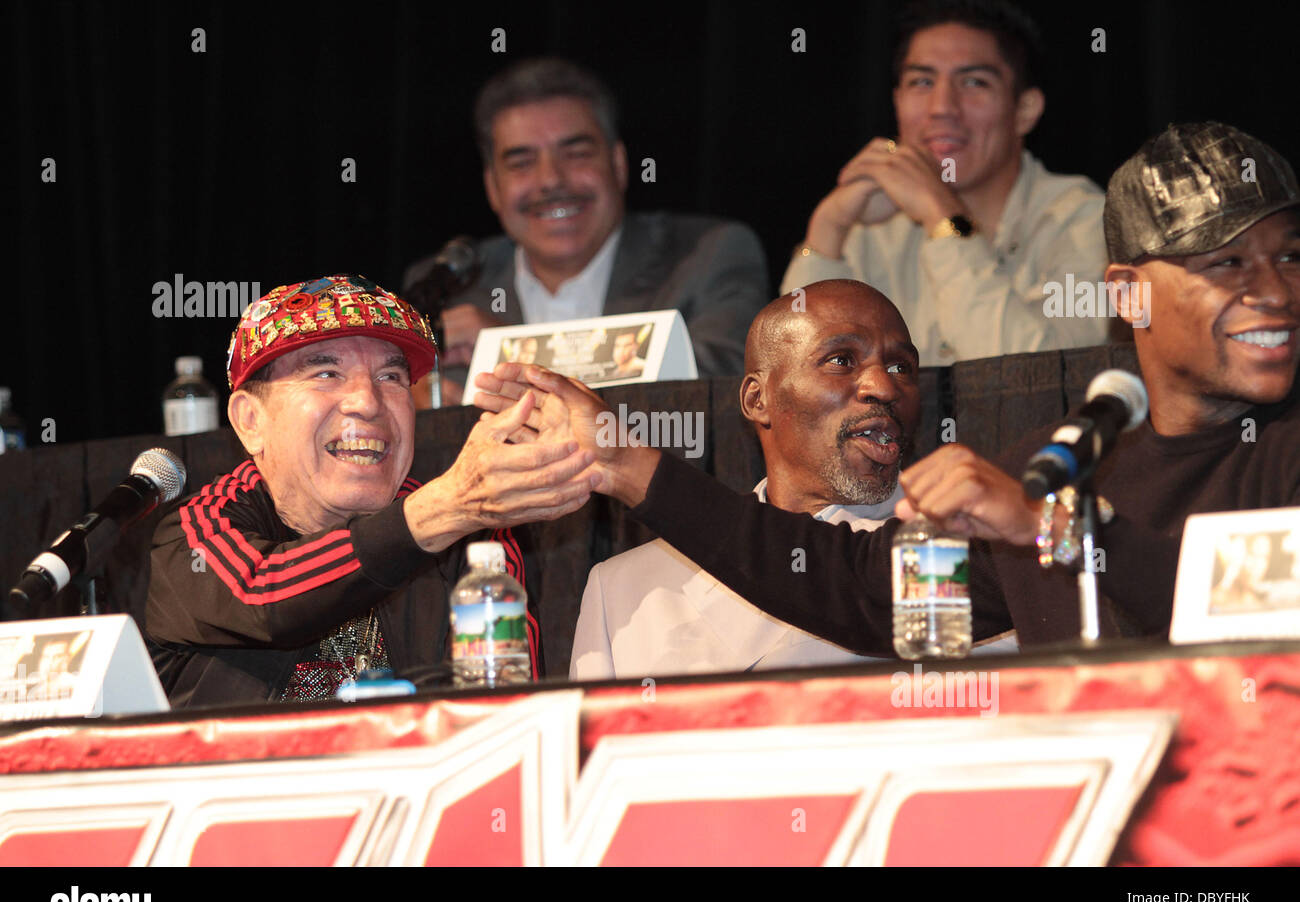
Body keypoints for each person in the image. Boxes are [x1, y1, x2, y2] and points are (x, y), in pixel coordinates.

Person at [475, 121, 1300, 654]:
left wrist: (1046, 524)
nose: (1273, 290)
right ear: (1128, 294)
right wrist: (628, 463)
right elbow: (850, 588)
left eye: (1290, 255)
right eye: (1227, 262)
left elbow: (1252, 604)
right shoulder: (1062, 464)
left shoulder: (1045, 496)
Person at [146, 275, 599, 707]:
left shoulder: (470, 535)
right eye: (325, 373)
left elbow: (511, 712)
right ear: (251, 421)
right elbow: (265, 596)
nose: (367, 401)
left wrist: (453, 513)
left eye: (390, 378)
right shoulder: (197, 531)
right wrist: (443, 510)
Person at [571, 280, 919, 678]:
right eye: (841, 361)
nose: (885, 386)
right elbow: (594, 739)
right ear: (758, 400)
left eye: (900, 367)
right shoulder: (625, 590)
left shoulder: (967, 553)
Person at [404, 57, 770, 403]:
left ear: (619, 164)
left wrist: (511, 352)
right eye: (522, 162)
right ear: (492, 187)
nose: (550, 180)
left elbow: (715, 394)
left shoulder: (708, 256)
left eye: (576, 153)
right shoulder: (446, 291)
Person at [781, 0, 1110, 365]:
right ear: (898, 102)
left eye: (973, 82)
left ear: (1024, 110)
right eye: (922, 82)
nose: (942, 107)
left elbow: (1042, 383)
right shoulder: (870, 228)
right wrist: (828, 229)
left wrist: (943, 219)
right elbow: (793, 381)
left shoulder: (1084, 219)